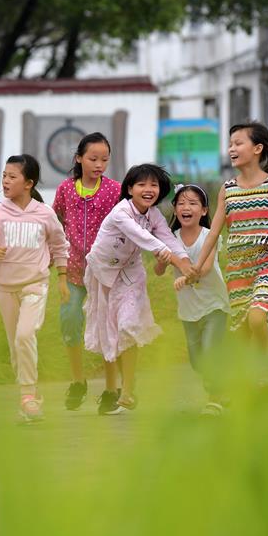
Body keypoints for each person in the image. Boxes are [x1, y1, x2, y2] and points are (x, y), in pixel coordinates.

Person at [191, 122, 268, 350]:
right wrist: (197, 266)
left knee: (258, 317)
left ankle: (264, 365)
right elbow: (214, 233)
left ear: (257, 148)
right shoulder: (227, 190)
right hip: (238, 268)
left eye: (238, 143)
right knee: (244, 328)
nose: (231, 149)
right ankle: (254, 369)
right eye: (229, 145)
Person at [83, 164, 192, 415]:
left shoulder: (153, 214)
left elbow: (168, 239)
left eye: (153, 185)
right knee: (110, 333)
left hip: (130, 275)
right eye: (141, 184)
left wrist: (186, 262)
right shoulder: (121, 212)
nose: (148, 189)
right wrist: (181, 265)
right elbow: (148, 241)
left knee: (128, 326)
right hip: (102, 274)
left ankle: (128, 391)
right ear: (130, 188)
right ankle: (117, 387)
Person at [0, 154, 69, 422]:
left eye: (12, 177)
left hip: (35, 285)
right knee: (16, 345)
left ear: (29, 183)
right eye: (4, 175)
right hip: (5, 288)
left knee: (25, 335)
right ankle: (28, 396)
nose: (5, 181)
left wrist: (62, 278)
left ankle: (28, 395)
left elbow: (59, 245)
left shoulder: (44, 213)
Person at [51, 133, 121, 411]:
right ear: (78, 158)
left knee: (106, 330)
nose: (99, 164)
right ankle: (78, 381)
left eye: (104, 159)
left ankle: (111, 388)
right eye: (93, 159)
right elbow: (56, 221)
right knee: (69, 321)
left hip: (105, 274)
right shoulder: (66, 189)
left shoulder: (115, 190)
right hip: (73, 272)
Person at [154, 184, 230, 415]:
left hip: (215, 304)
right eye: (181, 203)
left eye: (193, 203)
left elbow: (205, 269)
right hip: (188, 310)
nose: (186, 207)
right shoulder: (171, 238)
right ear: (175, 209)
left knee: (210, 350)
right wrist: (161, 258)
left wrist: (184, 280)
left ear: (205, 211)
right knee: (197, 360)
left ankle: (215, 399)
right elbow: (158, 271)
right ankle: (222, 387)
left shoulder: (210, 236)